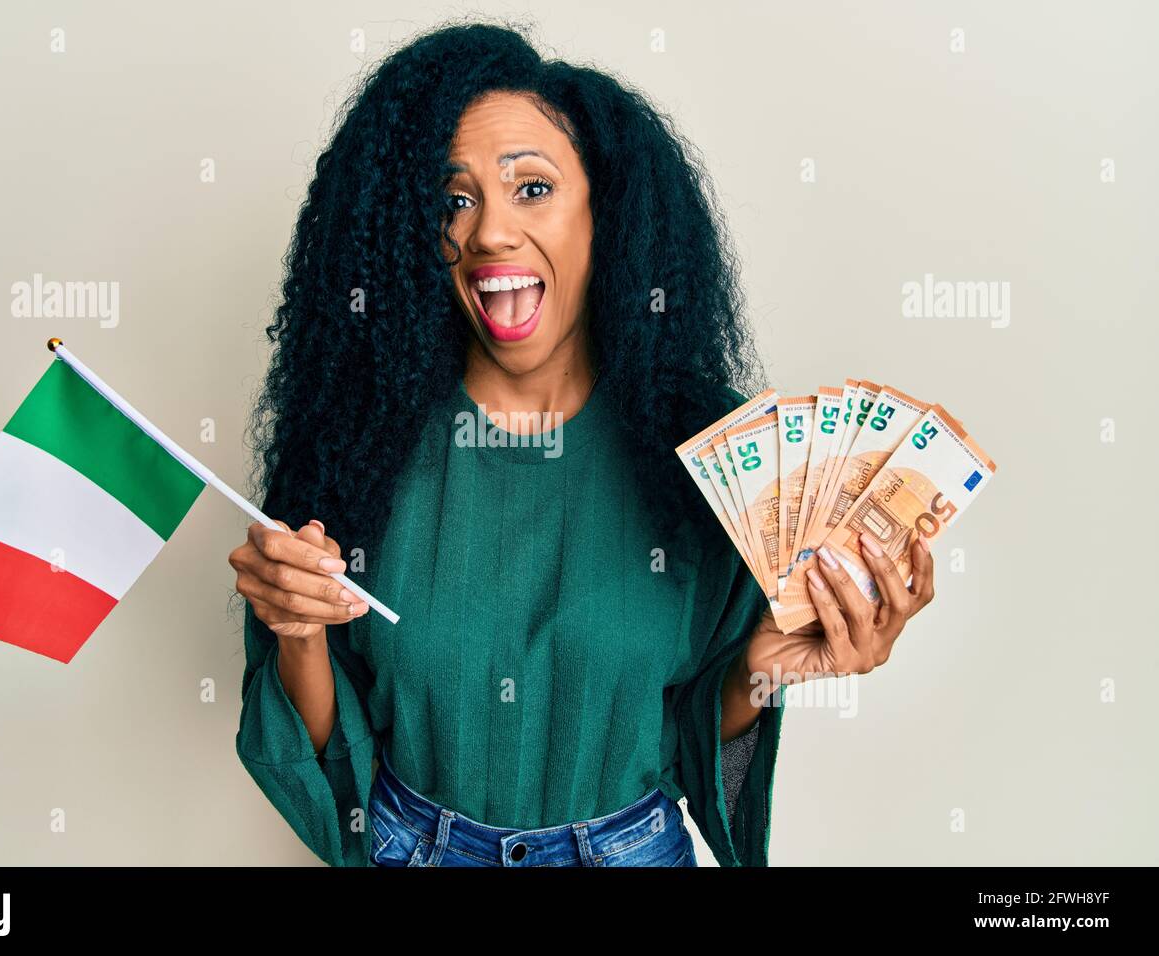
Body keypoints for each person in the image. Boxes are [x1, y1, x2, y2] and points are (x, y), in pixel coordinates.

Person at [228, 21, 935, 867]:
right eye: (454, 199)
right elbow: (332, 774)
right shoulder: (359, 442)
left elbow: (693, 737)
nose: (489, 232)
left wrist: (764, 669)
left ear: (610, 216)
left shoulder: (716, 455)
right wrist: (295, 629)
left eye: (532, 188)